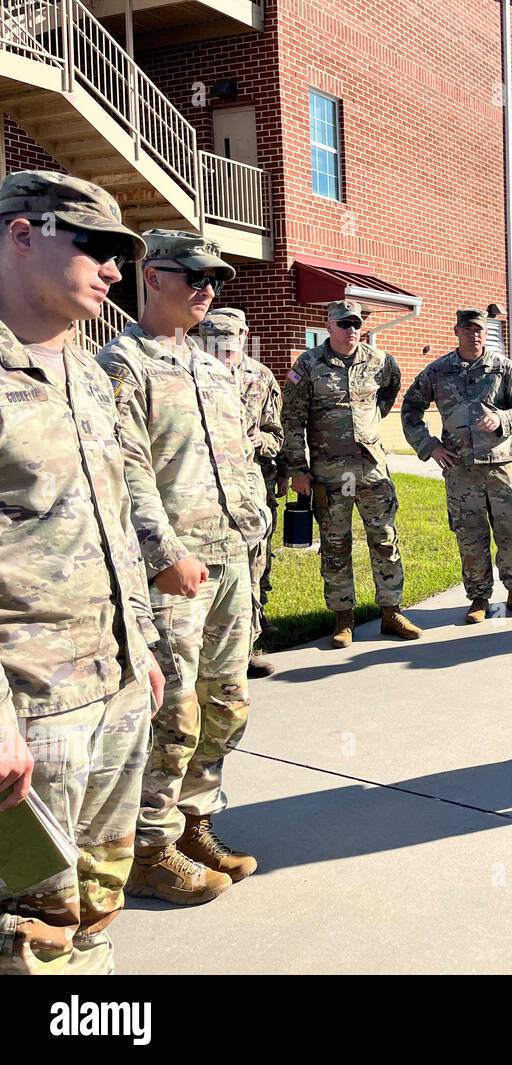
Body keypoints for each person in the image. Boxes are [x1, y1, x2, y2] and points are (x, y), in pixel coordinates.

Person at [0, 171, 164, 974]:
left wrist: (145, 647)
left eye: (122, 256)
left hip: (118, 687)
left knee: (98, 905)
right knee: (32, 930)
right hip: (29, 712)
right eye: (95, 246)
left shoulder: (91, 374)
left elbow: (117, 520)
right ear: (22, 235)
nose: (114, 270)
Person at [98, 229, 269, 904]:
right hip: (173, 574)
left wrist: (253, 519)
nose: (206, 289)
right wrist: (166, 553)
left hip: (229, 561)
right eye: (194, 275)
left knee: (226, 705)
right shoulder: (123, 363)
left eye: (216, 280)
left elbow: (240, 456)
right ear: (154, 276)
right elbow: (127, 469)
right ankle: (148, 848)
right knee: (174, 712)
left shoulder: (210, 365)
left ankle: (194, 821)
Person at [281, 300, 421, 647]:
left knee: (385, 539)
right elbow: (292, 419)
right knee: (336, 543)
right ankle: (343, 619)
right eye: (344, 324)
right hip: (331, 472)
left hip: (372, 469)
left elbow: (388, 394)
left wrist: (369, 424)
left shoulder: (379, 362)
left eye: (357, 323)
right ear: (328, 326)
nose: (352, 330)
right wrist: (299, 468)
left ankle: (391, 612)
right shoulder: (308, 365)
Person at [401, 308, 512, 623]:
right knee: (470, 534)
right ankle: (479, 598)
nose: (474, 334)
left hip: (501, 466)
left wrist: (501, 418)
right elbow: (410, 409)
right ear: (456, 331)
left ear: (485, 332)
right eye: (467, 329)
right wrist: (430, 446)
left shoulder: (503, 368)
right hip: (461, 470)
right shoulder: (437, 372)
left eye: (479, 329)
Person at [197, 308, 283, 677]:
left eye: (229, 343)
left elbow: (276, 434)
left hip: (248, 488)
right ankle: (201, 654)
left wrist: (257, 440)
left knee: (251, 567)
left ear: (244, 336)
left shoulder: (260, 377)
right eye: (214, 342)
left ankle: (245, 649)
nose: (222, 351)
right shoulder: (187, 371)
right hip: (198, 488)